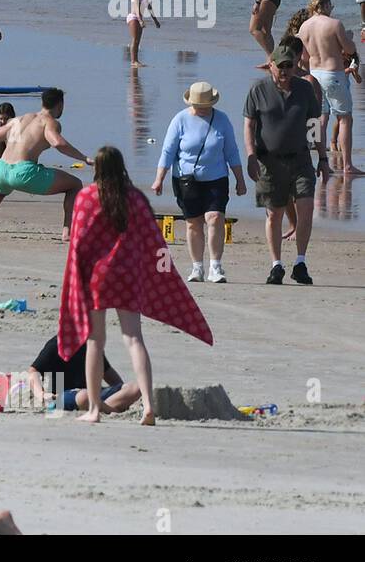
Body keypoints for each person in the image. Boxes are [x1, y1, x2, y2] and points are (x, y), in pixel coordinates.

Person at [60, 146, 214, 425]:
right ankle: (147, 407)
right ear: (122, 168)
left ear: (97, 170)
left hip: (97, 278)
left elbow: (78, 244)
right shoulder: (135, 199)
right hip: (128, 277)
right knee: (134, 339)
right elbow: (154, 241)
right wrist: (166, 275)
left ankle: (94, 410)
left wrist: (75, 278)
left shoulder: (85, 197)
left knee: (95, 340)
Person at [245, 44, 329, 284]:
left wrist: (322, 158)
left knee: (306, 207)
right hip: (269, 163)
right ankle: (276, 265)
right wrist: (251, 156)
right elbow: (249, 125)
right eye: (279, 65)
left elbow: (314, 125)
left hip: (301, 159)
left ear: (295, 66)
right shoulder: (258, 89)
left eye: (288, 65)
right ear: (270, 65)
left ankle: (300, 262)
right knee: (274, 214)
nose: (284, 70)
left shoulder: (305, 89)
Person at [150, 82, 247, 283]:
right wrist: (159, 178)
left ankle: (215, 266)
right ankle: (197, 267)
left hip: (217, 178)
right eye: (198, 105)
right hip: (186, 180)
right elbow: (168, 151)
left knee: (215, 217)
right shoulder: (180, 120)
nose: (202, 108)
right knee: (193, 223)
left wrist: (240, 179)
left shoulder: (222, 120)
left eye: (206, 105)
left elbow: (232, 151)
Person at [0, 88, 91, 241]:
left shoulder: (19, 119)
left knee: (0, 189)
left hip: (1, 169)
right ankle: (67, 231)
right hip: (24, 172)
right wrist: (84, 158)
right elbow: (58, 143)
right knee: (75, 184)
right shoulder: (50, 122)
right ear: (60, 105)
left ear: (42, 102)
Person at [296, 0, 361, 175]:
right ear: (325, 5)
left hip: (314, 74)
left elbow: (304, 57)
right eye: (330, 6)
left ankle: (315, 161)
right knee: (344, 118)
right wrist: (349, 41)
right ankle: (347, 165)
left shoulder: (304, 27)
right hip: (333, 74)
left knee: (319, 119)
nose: (331, 10)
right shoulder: (334, 24)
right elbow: (349, 49)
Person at [26, 334, 141, 414]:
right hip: (62, 394)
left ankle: (101, 408)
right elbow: (33, 370)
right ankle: (112, 410)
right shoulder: (57, 344)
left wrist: (121, 390)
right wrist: (41, 393)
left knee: (136, 388)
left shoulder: (92, 346)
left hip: (94, 393)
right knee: (85, 397)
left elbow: (108, 373)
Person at [125, 0, 159, 68]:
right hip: (134, 17)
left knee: (138, 41)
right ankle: (133, 61)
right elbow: (136, 6)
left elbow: (148, 6)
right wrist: (140, 20)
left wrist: (155, 20)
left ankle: (136, 60)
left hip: (139, 18)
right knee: (135, 40)